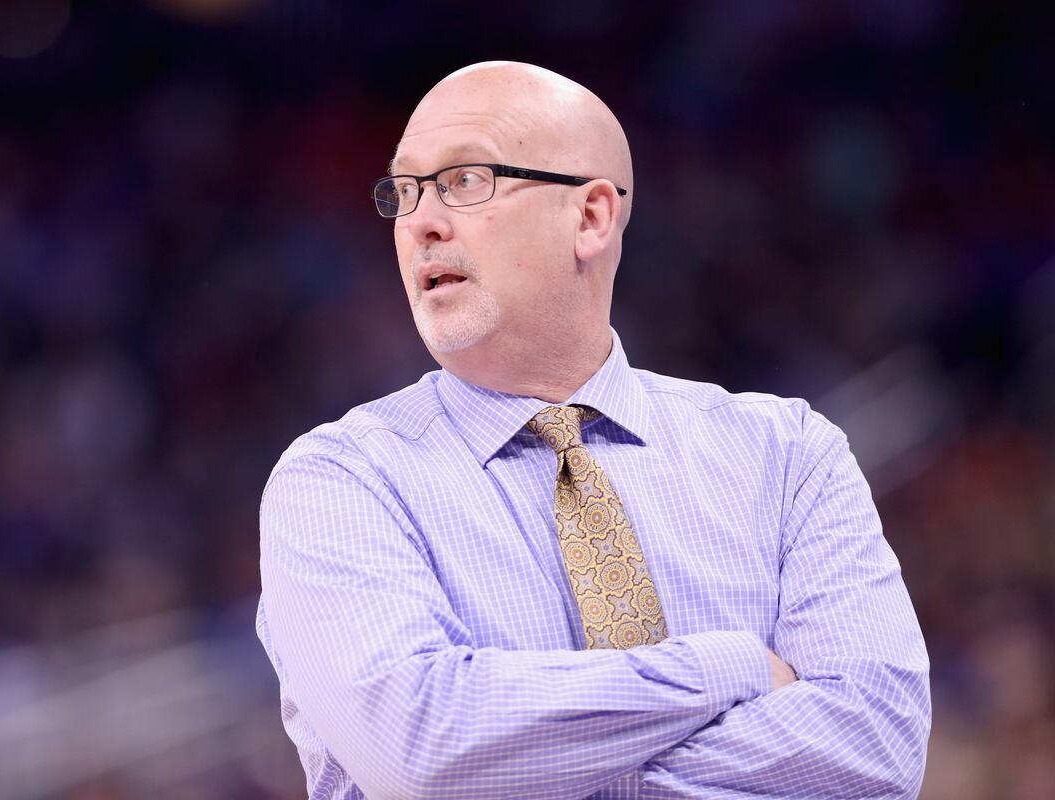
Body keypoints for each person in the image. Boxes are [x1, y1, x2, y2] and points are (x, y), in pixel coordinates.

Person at [256, 61, 931, 799]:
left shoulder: (787, 453)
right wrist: (727, 669)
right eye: (404, 190)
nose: (420, 220)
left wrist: (541, 767)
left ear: (591, 217)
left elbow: (877, 746)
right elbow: (423, 751)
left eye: (464, 181)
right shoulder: (340, 479)